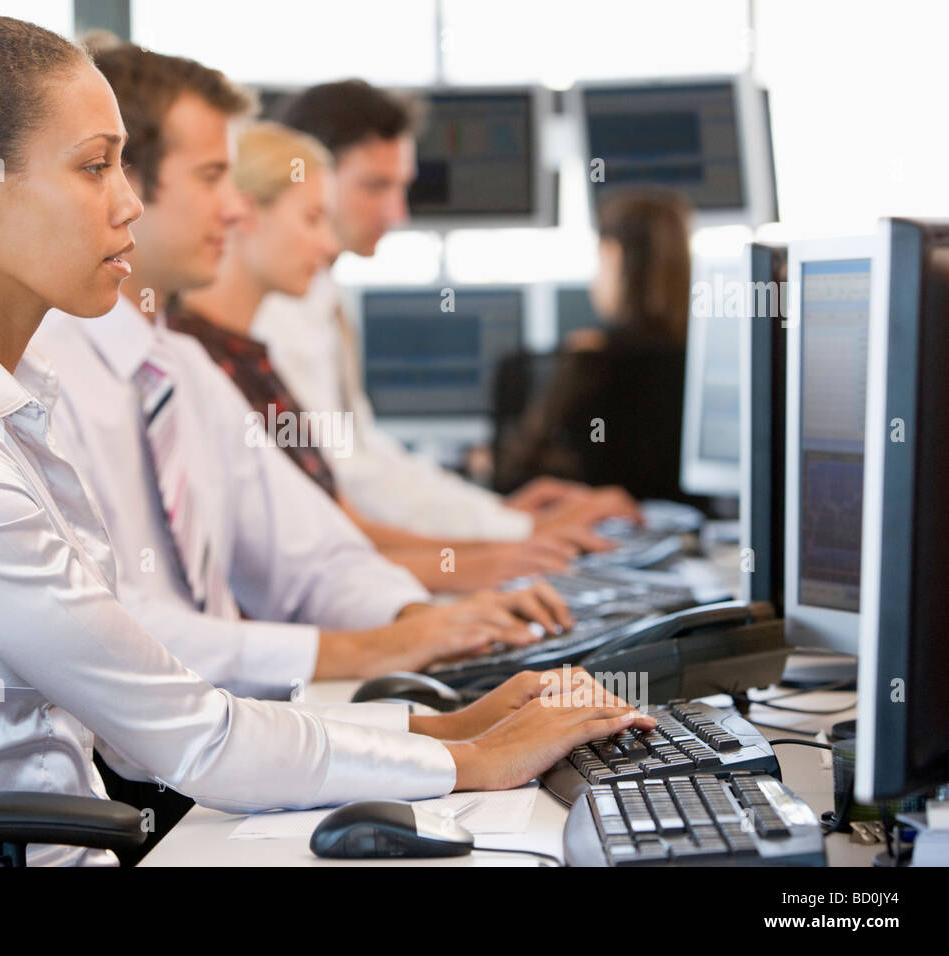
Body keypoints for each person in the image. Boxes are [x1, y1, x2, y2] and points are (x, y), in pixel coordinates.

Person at [0, 15, 652, 866]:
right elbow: (188, 734)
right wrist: (466, 757)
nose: (130, 200)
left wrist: (450, 726)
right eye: (95, 166)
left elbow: (173, 706)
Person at [34, 42, 577, 701]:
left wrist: (421, 621)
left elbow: (317, 554)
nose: (235, 210)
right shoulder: (43, 380)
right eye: (212, 177)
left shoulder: (182, 368)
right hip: (147, 772)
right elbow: (123, 639)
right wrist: (376, 646)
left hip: (224, 736)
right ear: (123, 180)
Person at [170, 120, 577, 591]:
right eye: (311, 218)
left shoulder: (253, 359)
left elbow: (335, 524)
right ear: (246, 213)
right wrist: (487, 554)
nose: (327, 243)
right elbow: (308, 554)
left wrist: (499, 546)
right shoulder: (204, 361)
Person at [255, 80, 639, 551]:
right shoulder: (274, 313)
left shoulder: (321, 293)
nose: (397, 213)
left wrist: (499, 516)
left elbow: (367, 456)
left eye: (402, 188)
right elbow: (349, 479)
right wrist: (515, 532)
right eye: (375, 187)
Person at [491, 189, 705, 507]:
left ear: (612, 256)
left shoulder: (590, 361)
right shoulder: (705, 362)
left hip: (593, 535)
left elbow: (517, 479)